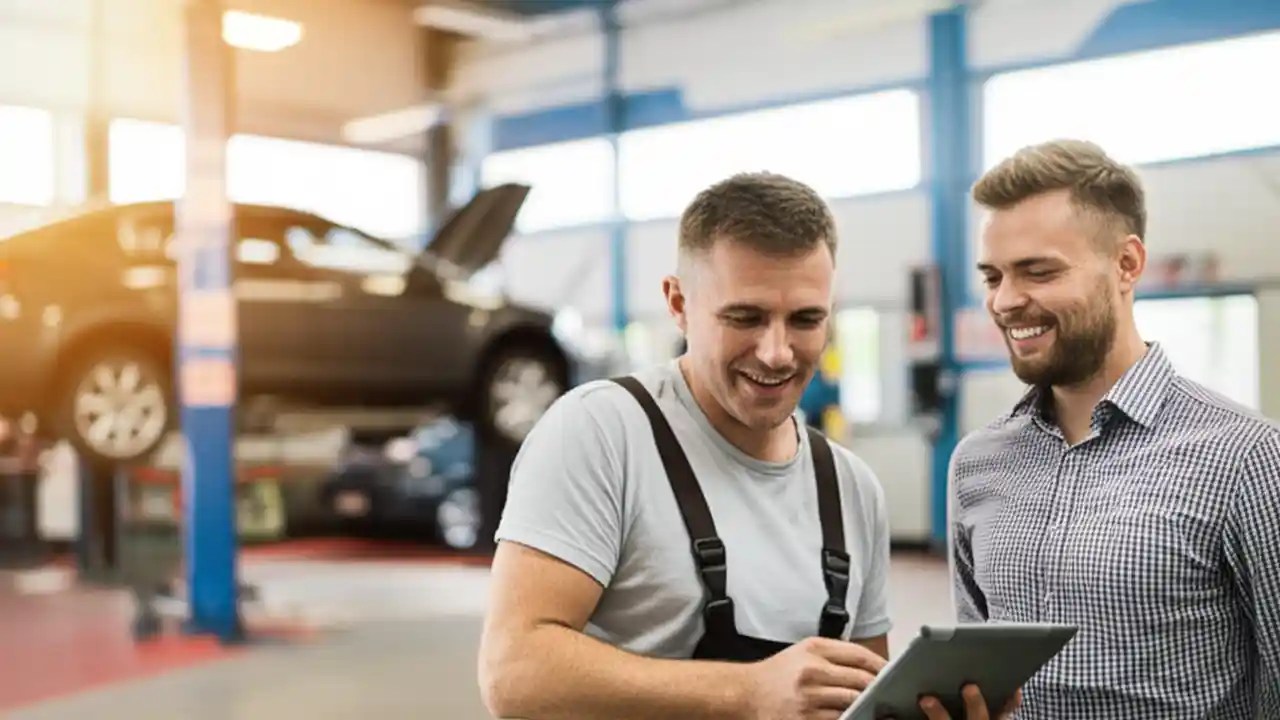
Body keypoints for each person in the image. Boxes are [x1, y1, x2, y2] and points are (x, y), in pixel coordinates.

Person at [479, 172, 1017, 720]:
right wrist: (747, 692)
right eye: (746, 317)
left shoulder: (849, 487)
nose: (778, 352)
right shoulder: (602, 433)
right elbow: (514, 672)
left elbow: (860, 702)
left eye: (806, 319)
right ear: (678, 303)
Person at [949, 139, 1280, 719]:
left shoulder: (1245, 457)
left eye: (1038, 272)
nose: (1004, 301)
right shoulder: (977, 463)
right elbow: (974, 682)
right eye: (992, 276)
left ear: (1126, 264)